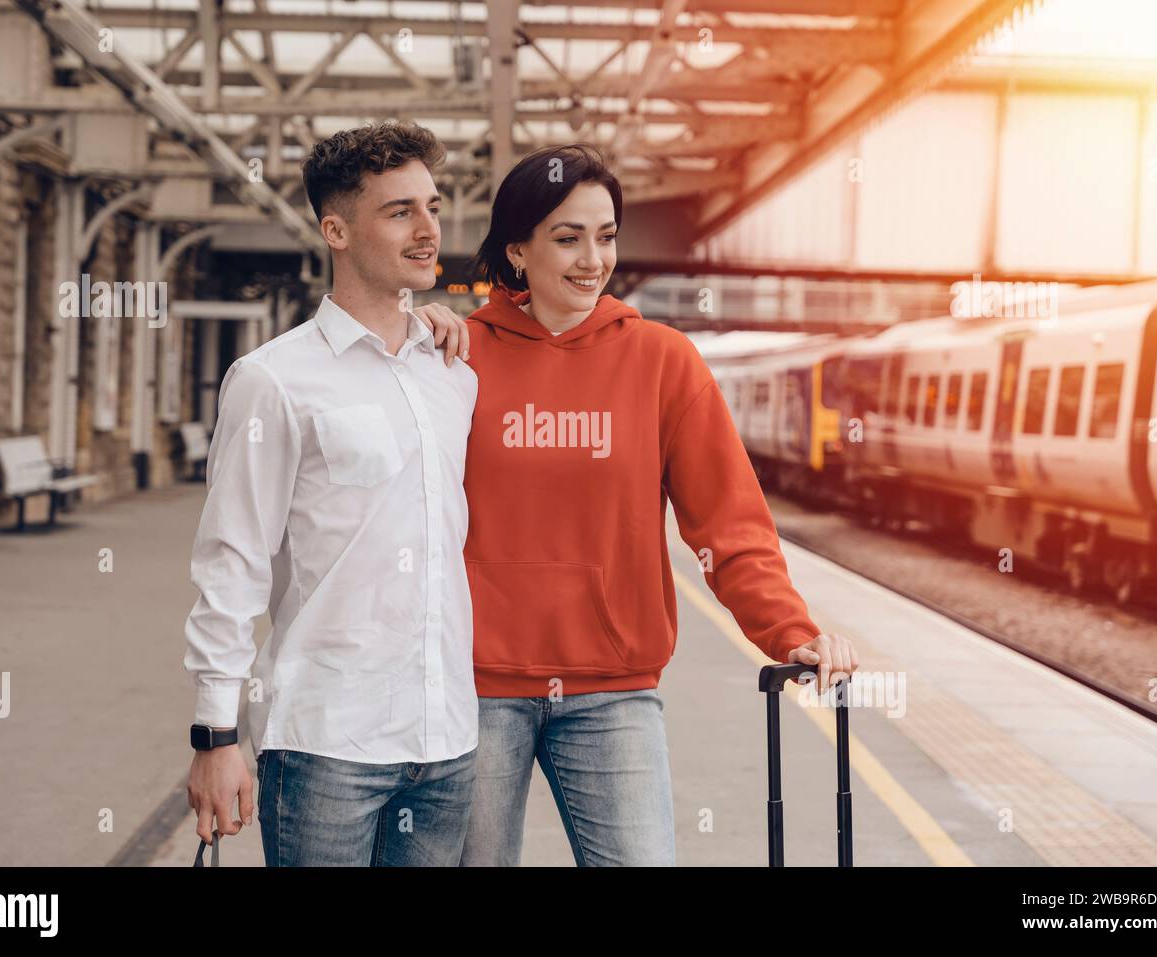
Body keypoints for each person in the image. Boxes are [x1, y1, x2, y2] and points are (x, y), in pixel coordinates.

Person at [414, 144, 860, 866]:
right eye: (568, 238)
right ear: (517, 251)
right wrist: (407, 329)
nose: (593, 259)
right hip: (476, 688)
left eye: (606, 235)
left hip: (613, 692)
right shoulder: (457, 356)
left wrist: (789, 630)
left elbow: (728, 523)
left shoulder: (663, 361)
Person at [183, 121, 479, 866]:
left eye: (433, 206)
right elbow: (232, 560)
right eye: (400, 211)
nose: (429, 230)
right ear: (336, 230)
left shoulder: (452, 373)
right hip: (325, 746)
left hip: (446, 742)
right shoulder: (273, 379)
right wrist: (215, 735)